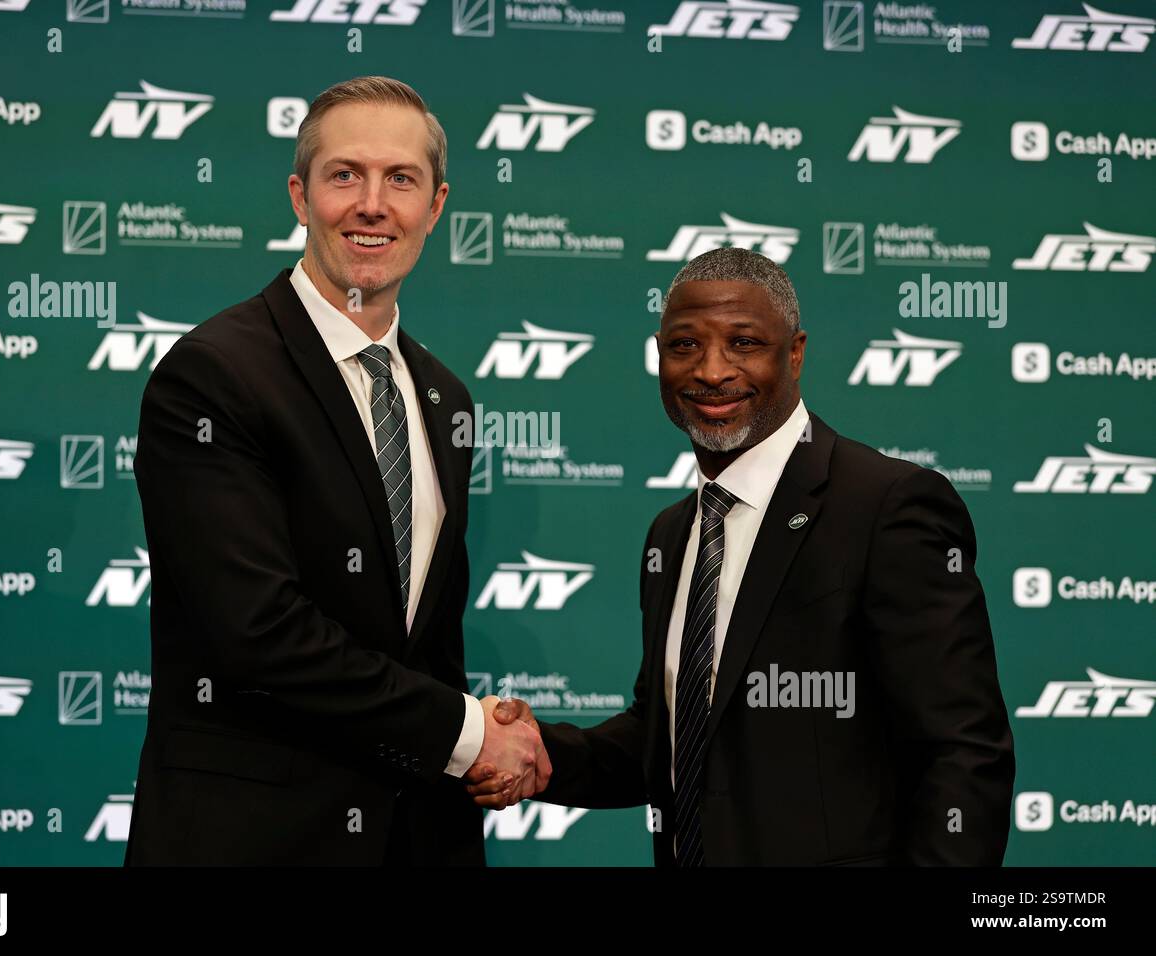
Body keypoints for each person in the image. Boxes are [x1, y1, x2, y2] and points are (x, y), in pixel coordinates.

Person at [468, 247, 1015, 866]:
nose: (712, 370)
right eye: (684, 346)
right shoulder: (672, 534)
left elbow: (964, 754)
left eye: (745, 343)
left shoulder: (887, 506)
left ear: (796, 353)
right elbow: (671, 739)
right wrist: (541, 754)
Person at [125, 76, 548, 866]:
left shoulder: (442, 393)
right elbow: (259, 634)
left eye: (401, 180)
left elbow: (418, 645)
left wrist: (477, 747)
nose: (372, 204)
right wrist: (468, 733)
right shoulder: (215, 374)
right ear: (299, 194)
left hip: (416, 837)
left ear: (437, 205)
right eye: (344, 175)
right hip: (255, 841)